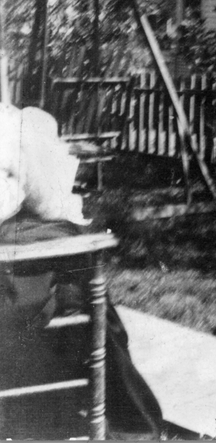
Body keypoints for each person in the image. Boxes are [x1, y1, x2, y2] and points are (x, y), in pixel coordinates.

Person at [0, 103, 163, 439]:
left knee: (73, 279)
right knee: (71, 285)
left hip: (21, 241)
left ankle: (104, 412)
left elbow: (40, 195)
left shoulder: (13, 124)